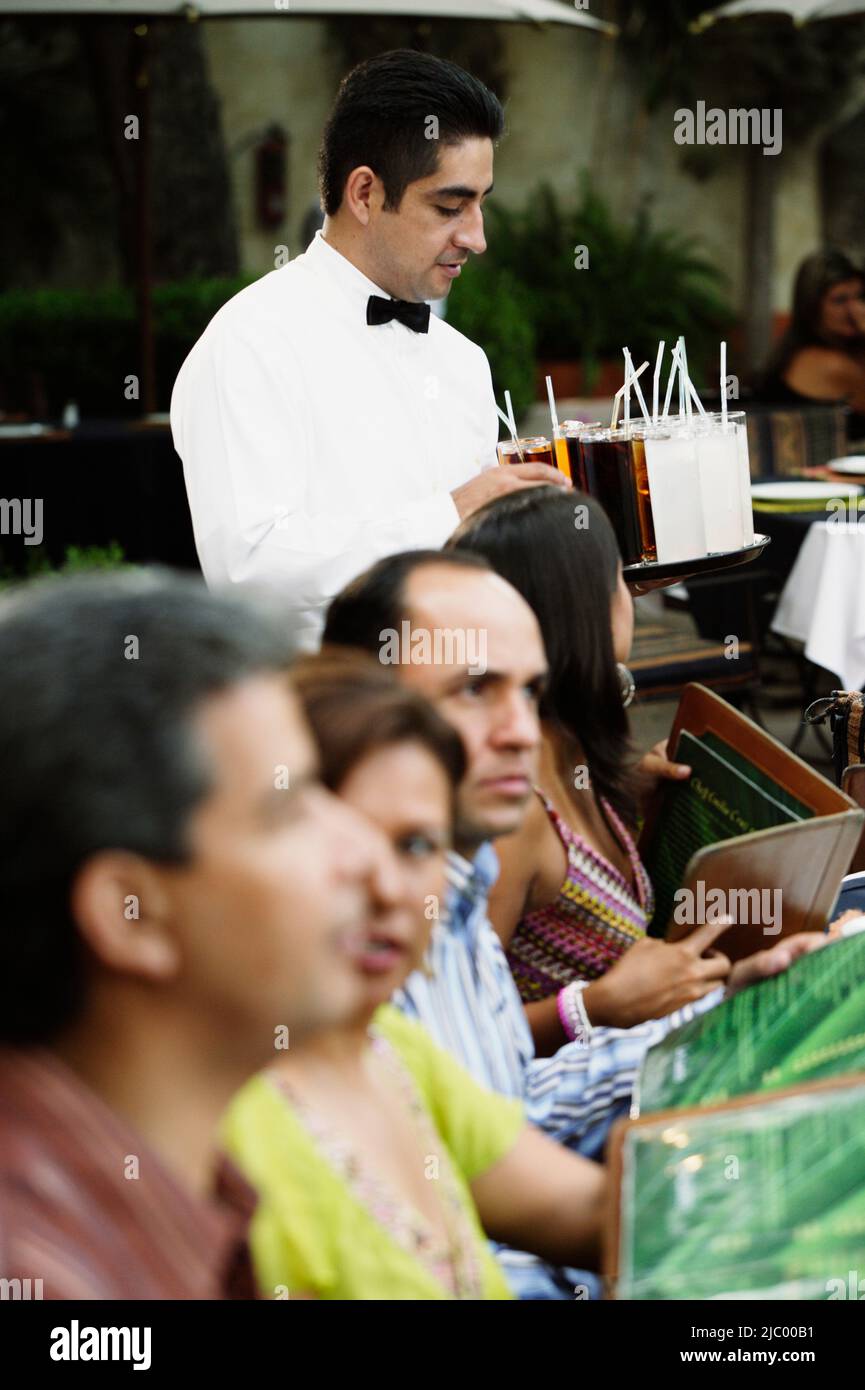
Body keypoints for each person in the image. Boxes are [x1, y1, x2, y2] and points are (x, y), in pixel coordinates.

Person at [323, 549, 821, 1297]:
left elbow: (505, 1118)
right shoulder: (334, 947)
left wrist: (731, 1010)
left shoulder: (460, 882)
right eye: (472, 689)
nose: (519, 729)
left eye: (528, 692)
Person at [0, 570, 392, 1299]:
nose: (367, 853)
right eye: (288, 810)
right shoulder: (52, 1281)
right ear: (131, 915)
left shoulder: (170, 1190)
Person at [223, 650, 605, 1299]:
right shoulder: (222, 1138)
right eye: (339, 838)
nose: (386, 887)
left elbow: (589, 1212)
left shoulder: (383, 1049)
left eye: (415, 846)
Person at [171, 49, 567, 651]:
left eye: (481, 203)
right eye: (449, 206)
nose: (477, 237)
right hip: (321, 724)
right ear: (363, 193)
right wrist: (449, 513)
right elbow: (248, 574)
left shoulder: (464, 361)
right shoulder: (249, 343)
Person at [448, 486, 695, 1042]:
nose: (629, 594)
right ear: (583, 607)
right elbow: (456, 1036)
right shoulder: (514, 810)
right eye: (619, 579)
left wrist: (629, 797)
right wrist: (592, 1008)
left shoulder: (568, 749)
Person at [760, 249, 865, 439]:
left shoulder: (797, 350)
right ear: (812, 307)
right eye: (840, 300)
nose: (855, 310)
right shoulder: (829, 363)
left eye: (859, 297)